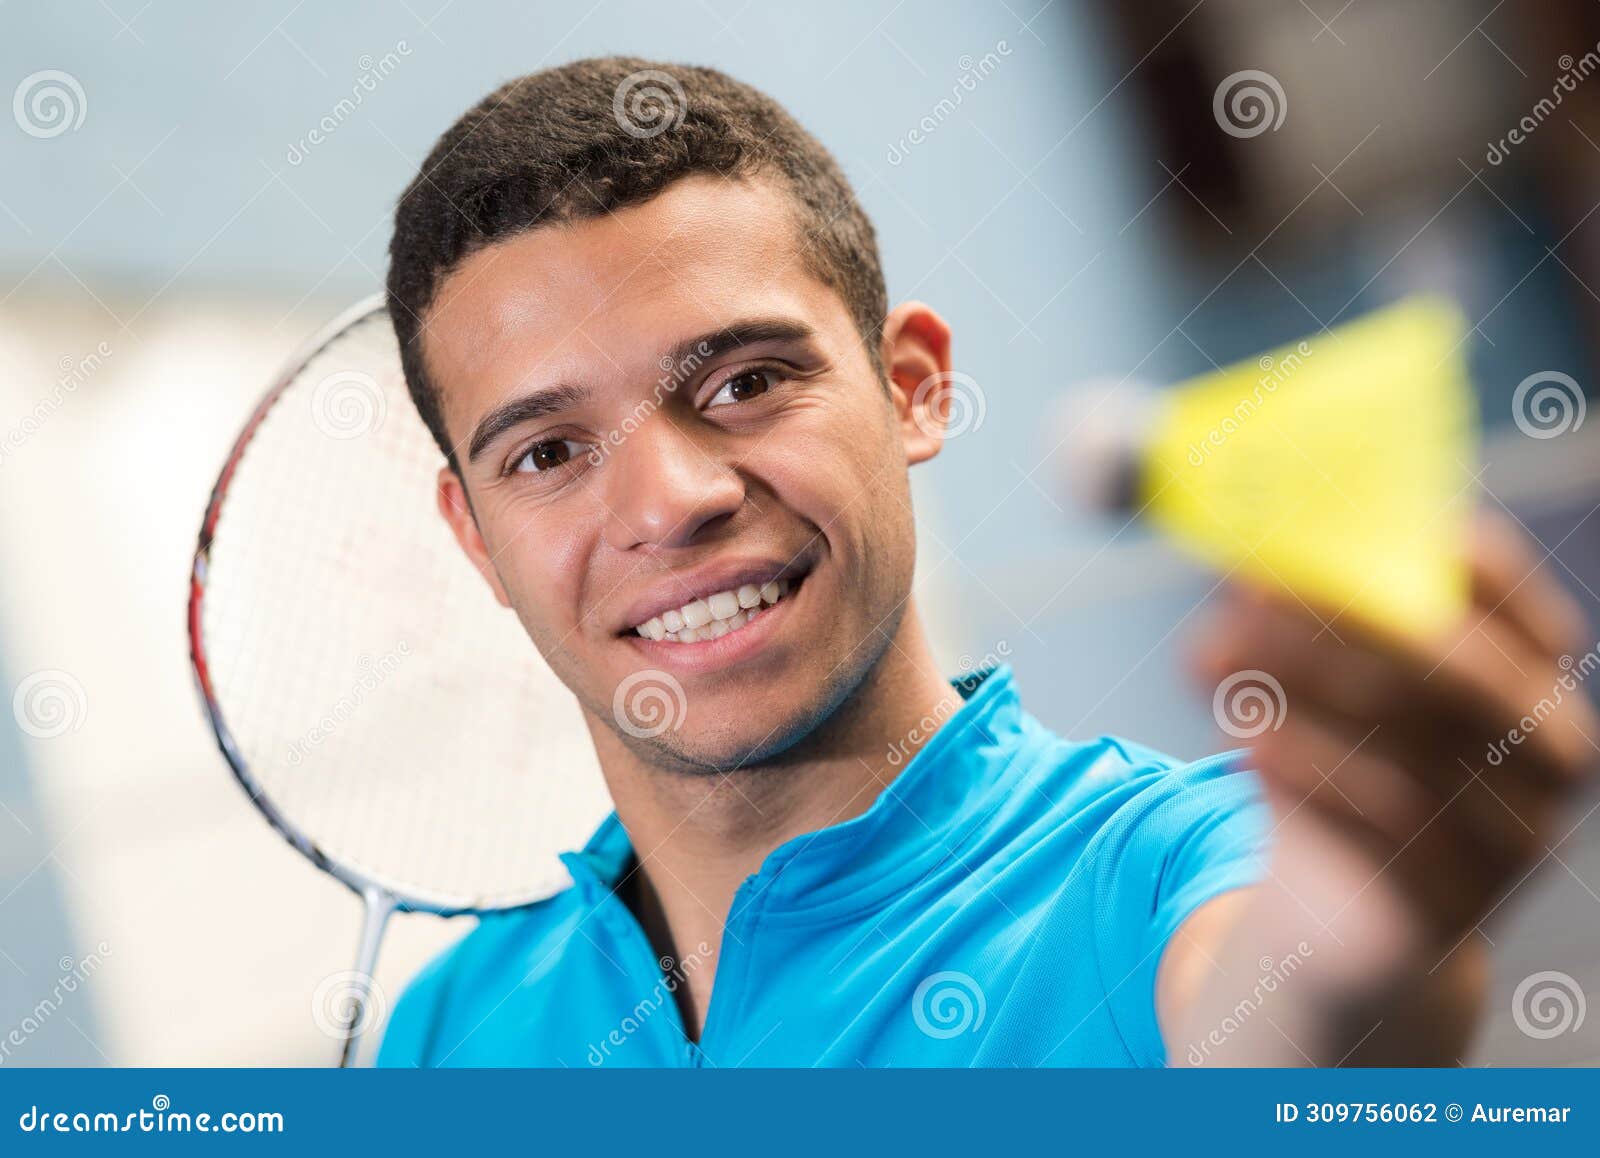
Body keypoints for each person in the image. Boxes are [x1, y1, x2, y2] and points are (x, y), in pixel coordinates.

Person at [376, 57, 1596, 1067]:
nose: (675, 501)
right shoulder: (444, 1033)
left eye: (745, 384)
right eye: (547, 453)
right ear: (475, 537)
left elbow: (1275, 1019)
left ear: (911, 388)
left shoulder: (1161, 872)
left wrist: (1343, 949)